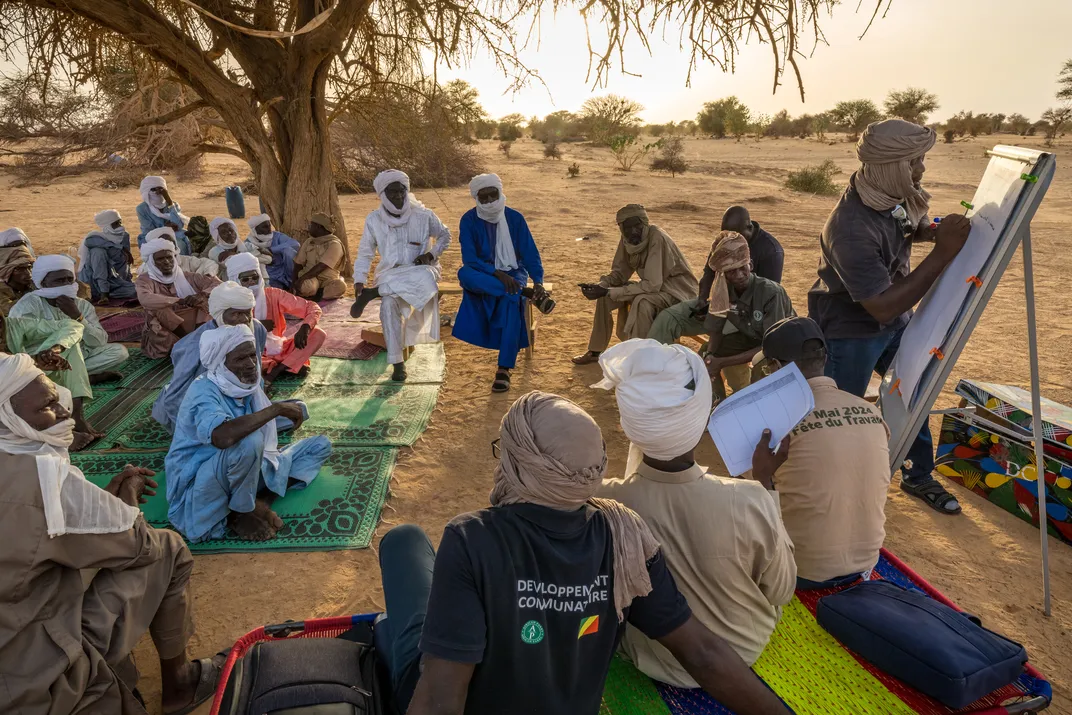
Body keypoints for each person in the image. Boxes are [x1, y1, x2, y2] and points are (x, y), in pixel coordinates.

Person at [375, 390, 790, 715]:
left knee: (404, 543)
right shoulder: (626, 537)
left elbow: (441, 698)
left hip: (446, 683)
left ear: (519, 465)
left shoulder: (472, 538)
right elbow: (703, 653)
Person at [0, 352, 225, 715]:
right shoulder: (41, 480)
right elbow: (140, 546)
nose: (64, 414)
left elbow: (39, 535)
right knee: (167, 547)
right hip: (33, 681)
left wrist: (100, 505)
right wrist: (126, 502)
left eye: (57, 401)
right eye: (46, 408)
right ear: (7, 419)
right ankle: (179, 684)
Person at [596, 339, 796, 681]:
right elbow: (782, 591)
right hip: (741, 655)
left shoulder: (602, 501)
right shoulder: (751, 499)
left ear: (629, 423)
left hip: (650, 656)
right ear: (702, 419)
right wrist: (765, 482)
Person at [807, 119, 970, 515]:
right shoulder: (850, 229)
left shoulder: (884, 194)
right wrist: (942, 253)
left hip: (893, 321)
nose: (921, 169)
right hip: (852, 332)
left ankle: (917, 474)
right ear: (892, 166)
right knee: (840, 414)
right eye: (915, 162)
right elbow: (881, 306)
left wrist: (930, 231)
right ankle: (833, 493)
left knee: (912, 394)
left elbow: (904, 224)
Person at [165, 324, 331, 542]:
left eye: (252, 355)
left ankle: (259, 502)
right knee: (249, 441)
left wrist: (277, 412)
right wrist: (276, 410)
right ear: (220, 363)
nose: (252, 364)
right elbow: (223, 437)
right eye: (241, 359)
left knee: (319, 445)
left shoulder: (249, 384)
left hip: (240, 466)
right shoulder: (203, 390)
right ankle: (240, 512)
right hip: (200, 481)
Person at [761, 316, 892, 589]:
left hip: (803, 570)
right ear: (824, 358)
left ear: (776, 368)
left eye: (767, 369)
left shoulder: (778, 421)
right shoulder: (870, 410)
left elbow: (757, 497)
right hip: (867, 561)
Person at [7, 254, 130, 448]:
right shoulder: (27, 306)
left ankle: (79, 377)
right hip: (39, 364)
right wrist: (50, 350)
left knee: (119, 352)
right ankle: (79, 410)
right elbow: (17, 344)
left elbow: (99, 341)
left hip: (78, 357)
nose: (65, 284)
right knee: (69, 348)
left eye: (69, 279)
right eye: (58, 280)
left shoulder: (81, 305)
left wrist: (77, 316)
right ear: (42, 282)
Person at [350, 170, 451, 382]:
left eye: (401, 191)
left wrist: (430, 254)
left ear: (407, 191)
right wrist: (359, 279)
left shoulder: (423, 215)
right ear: (382, 194)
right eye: (392, 192)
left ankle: (373, 293)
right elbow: (365, 252)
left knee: (427, 278)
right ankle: (397, 364)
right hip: (390, 274)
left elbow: (445, 235)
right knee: (388, 305)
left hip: (419, 271)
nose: (398, 196)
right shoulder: (374, 220)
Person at [452, 174, 551, 392]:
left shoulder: (515, 218)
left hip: (514, 273)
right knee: (464, 273)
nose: (489, 201)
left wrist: (538, 281)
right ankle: (523, 292)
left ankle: (504, 369)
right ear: (476, 198)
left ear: (500, 192)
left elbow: (529, 252)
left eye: (492, 195)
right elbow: (470, 260)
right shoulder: (468, 220)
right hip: (483, 274)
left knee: (510, 301)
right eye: (483, 197)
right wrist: (497, 274)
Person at [573, 204, 697, 365]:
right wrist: (601, 286)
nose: (633, 231)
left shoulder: (657, 238)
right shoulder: (628, 240)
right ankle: (595, 351)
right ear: (621, 228)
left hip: (677, 292)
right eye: (628, 228)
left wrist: (609, 291)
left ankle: (640, 357)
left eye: (637, 226)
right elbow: (619, 273)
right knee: (605, 297)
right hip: (655, 288)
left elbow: (652, 285)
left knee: (642, 301)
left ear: (644, 223)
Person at [151, 280, 268, 433]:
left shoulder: (257, 329)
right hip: (200, 402)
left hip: (237, 399)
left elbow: (255, 368)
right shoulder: (194, 345)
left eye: (247, 312)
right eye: (236, 314)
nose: (245, 319)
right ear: (220, 314)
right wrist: (189, 431)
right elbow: (176, 396)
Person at [227, 253, 325, 383]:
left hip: (279, 348)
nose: (251, 282)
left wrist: (306, 327)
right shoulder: (228, 302)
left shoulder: (273, 294)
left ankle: (276, 370)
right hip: (250, 352)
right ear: (235, 280)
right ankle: (288, 365)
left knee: (318, 334)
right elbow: (225, 331)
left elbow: (312, 307)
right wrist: (256, 326)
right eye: (245, 280)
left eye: (255, 277)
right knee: (235, 359)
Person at [135, 231, 221, 359]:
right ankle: (189, 342)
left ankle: (197, 339)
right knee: (158, 309)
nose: (166, 262)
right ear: (152, 262)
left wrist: (202, 295)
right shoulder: (145, 279)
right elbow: (145, 299)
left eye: (169, 257)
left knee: (207, 300)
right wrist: (179, 301)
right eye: (160, 259)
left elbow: (218, 284)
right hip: (168, 333)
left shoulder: (188, 276)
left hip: (194, 323)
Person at [77, 209, 136, 305]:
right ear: (107, 226)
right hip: (95, 283)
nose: (120, 226)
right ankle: (103, 294)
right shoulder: (95, 240)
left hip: (115, 282)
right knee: (98, 252)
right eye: (115, 224)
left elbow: (126, 264)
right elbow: (99, 270)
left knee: (139, 290)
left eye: (120, 222)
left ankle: (109, 294)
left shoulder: (124, 236)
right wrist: (121, 248)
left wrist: (127, 281)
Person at [721, 206, 784, 283]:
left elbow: (769, 289)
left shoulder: (771, 252)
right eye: (727, 236)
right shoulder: (727, 239)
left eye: (737, 237)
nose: (732, 242)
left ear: (750, 228)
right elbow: (710, 275)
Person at [293, 212, 347, 300]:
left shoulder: (334, 244)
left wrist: (301, 279)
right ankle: (319, 295)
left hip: (327, 280)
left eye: (311, 225)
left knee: (340, 286)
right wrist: (294, 282)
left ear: (318, 227)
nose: (309, 227)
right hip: (311, 279)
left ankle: (315, 296)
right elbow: (298, 263)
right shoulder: (309, 241)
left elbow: (322, 266)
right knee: (306, 287)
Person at [137, 227, 219, 279]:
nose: (169, 247)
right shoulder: (147, 268)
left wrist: (208, 275)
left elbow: (210, 264)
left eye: (171, 243)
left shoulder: (185, 260)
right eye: (164, 244)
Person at [245, 213, 300, 289]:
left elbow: (295, 244)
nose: (269, 229)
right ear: (255, 229)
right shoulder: (249, 243)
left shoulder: (276, 236)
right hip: (268, 275)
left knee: (289, 251)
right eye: (265, 227)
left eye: (269, 225)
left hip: (284, 271)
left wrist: (271, 250)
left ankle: (293, 281)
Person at [136, 176, 190, 253]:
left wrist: (169, 201)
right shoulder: (142, 209)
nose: (157, 192)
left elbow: (179, 225)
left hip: (174, 235)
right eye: (153, 189)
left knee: (180, 245)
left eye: (160, 189)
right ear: (146, 191)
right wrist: (166, 228)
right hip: (152, 237)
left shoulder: (173, 205)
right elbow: (149, 230)